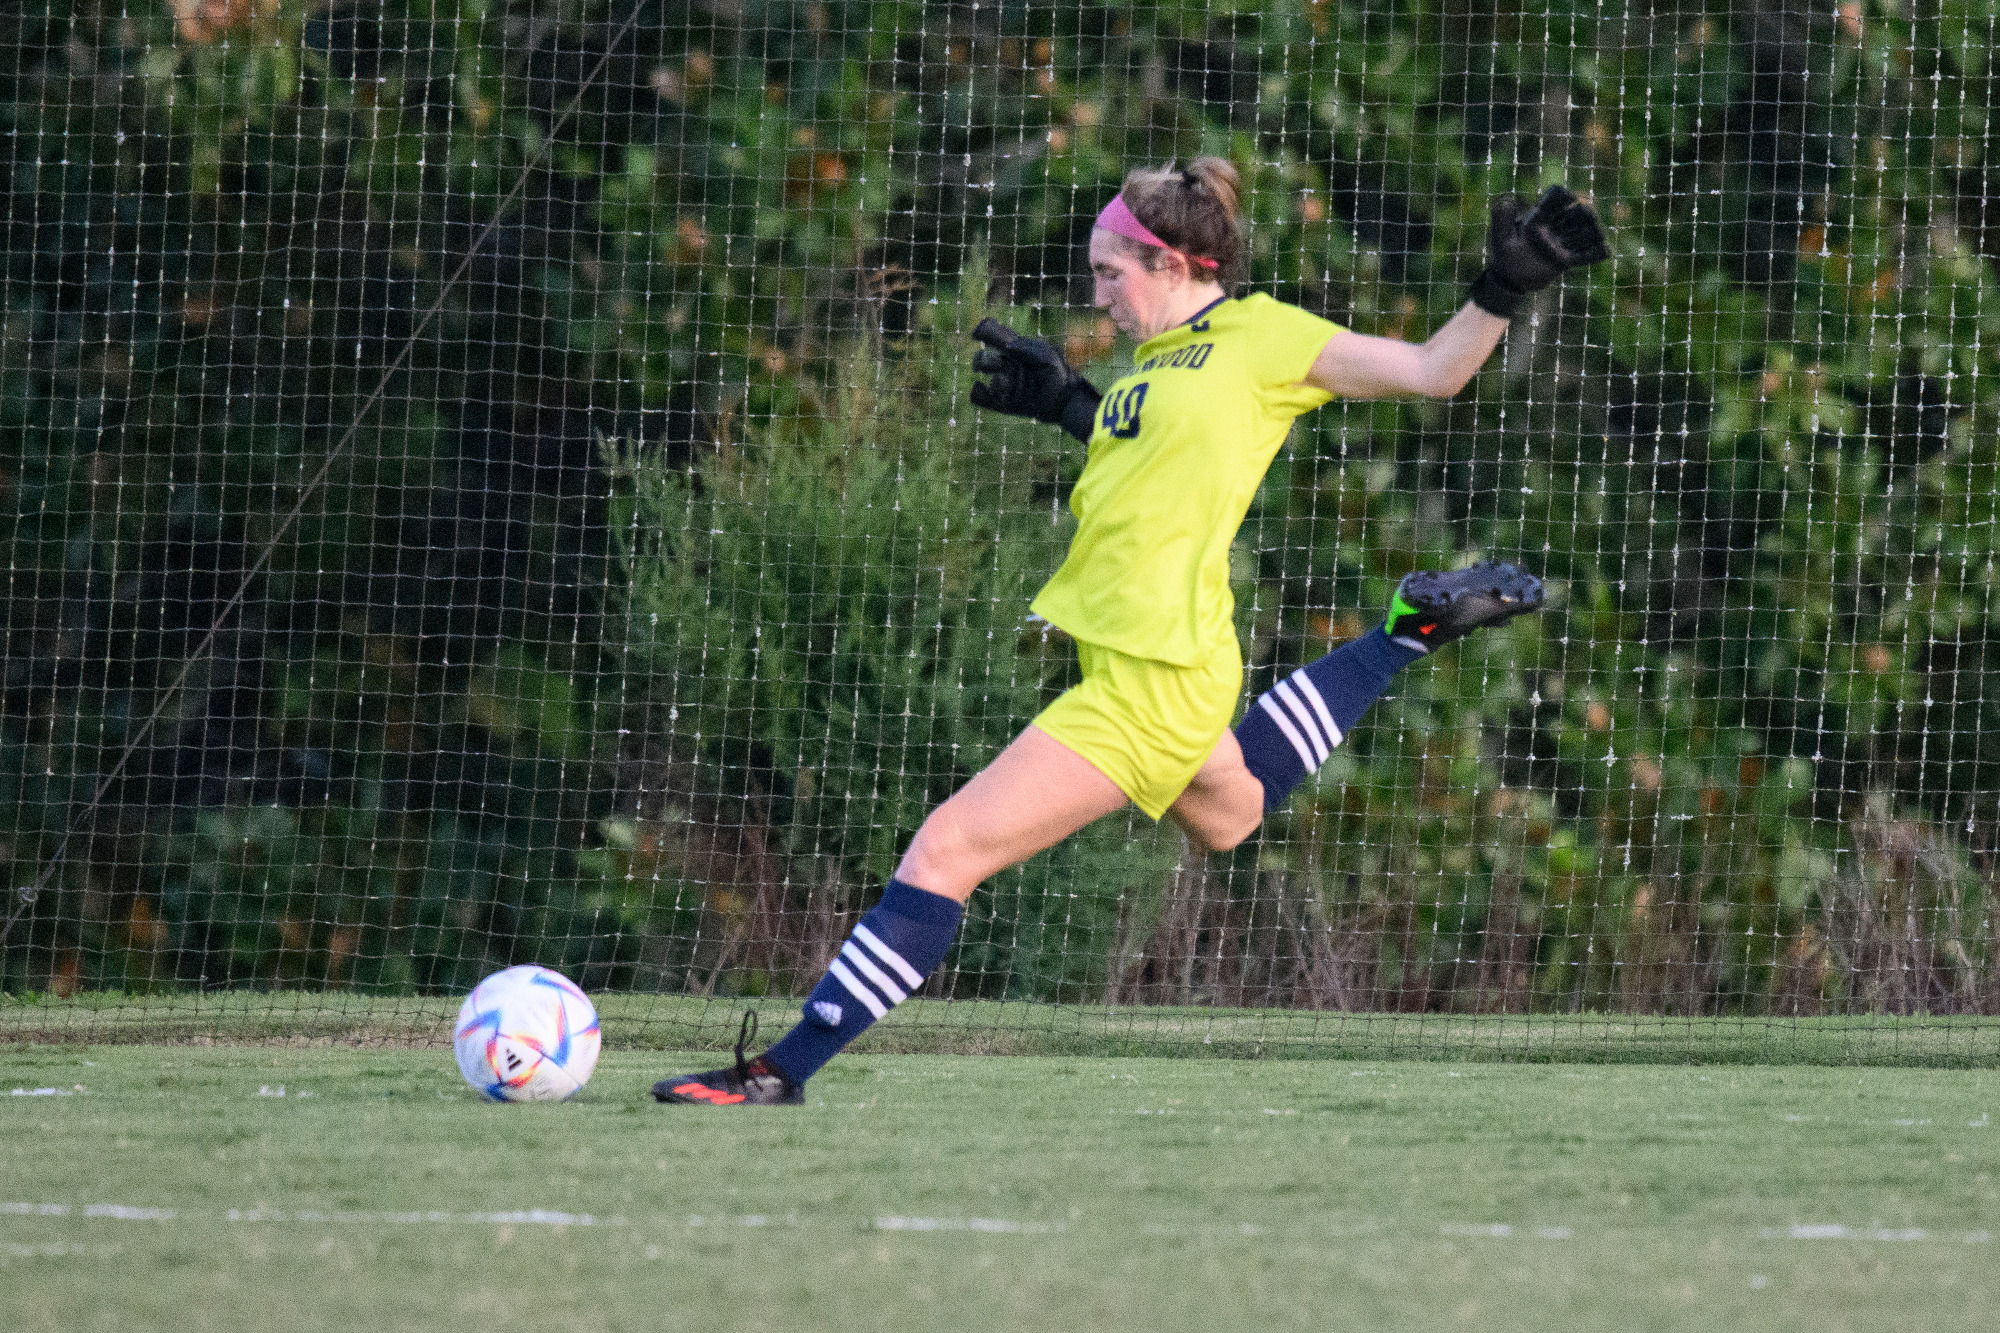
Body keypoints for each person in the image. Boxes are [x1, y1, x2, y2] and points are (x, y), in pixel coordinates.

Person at [655, 159, 1609, 1105]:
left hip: (1149, 682)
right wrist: (1075, 405)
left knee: (945, 852)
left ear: (1180, 263)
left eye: (1111, 272)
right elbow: (1153, 463)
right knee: (1231, 816)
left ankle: (781, 1070)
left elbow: (1434, 372)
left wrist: (1502, 287)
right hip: (1164, 661)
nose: (1097, 292)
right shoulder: (1154, 367)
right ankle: (1405, 630)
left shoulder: (1263, 336)